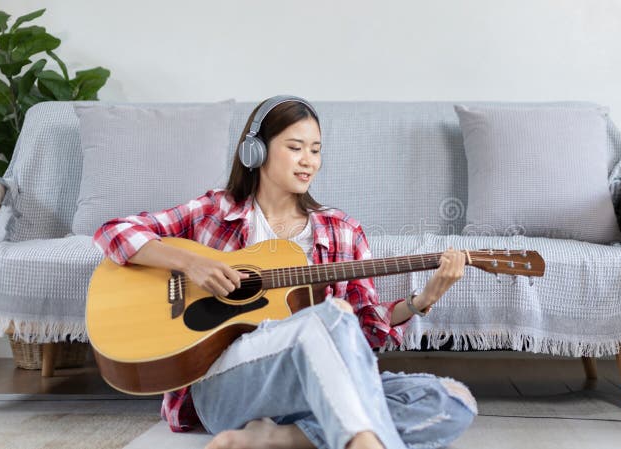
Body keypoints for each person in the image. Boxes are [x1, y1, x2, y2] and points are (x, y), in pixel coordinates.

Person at [93, 95, 477, 449]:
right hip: (228, 391)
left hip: (307, 390)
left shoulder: (343, 230)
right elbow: (113, 231)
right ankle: (360, 441)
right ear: (256, 151)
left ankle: (279, 438)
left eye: (315, 150)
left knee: (453, 400)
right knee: (330, 315)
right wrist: (191, 263)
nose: (308, 160)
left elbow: (359, 332)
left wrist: (422, 300)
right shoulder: (214, 211)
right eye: (295, 148)